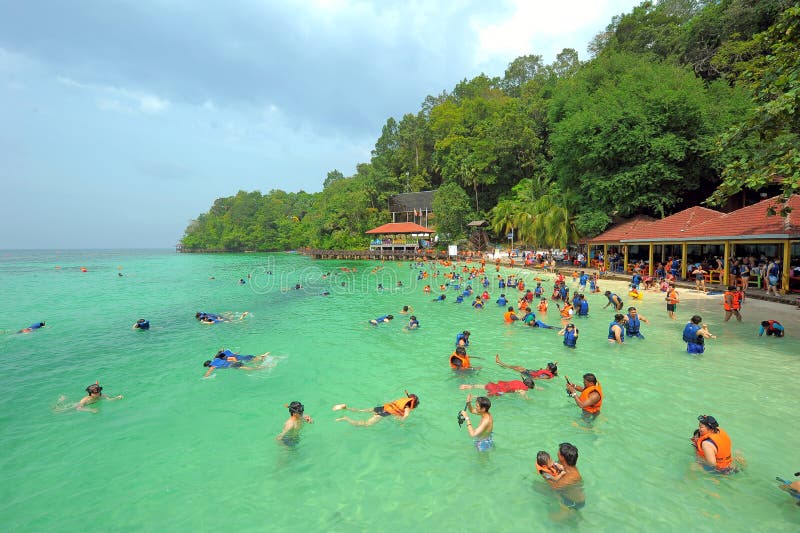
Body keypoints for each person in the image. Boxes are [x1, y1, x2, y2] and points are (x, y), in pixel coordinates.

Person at [334, 392, 419, 426]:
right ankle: (345, 418)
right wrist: (401, 421)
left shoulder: (400, 400)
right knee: (366, 424)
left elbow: (391, 403)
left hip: (380, 408)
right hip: (383, 413)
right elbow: (406, 414)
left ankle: (345, 408)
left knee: (361, 411)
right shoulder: (407, 407)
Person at [545, 443, 585, 511]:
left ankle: (573, 515)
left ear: (562, 457)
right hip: (563, 493)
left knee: (552, 518)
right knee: (536, 487)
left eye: (559, 452)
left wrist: (543, 472)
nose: (557, 452)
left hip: (573, 502)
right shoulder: (563, 463)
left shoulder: (572, 476)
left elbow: (554, 486)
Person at [459, 373, 535, 398]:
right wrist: (528, 399)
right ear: (527, 386)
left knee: (484, 386)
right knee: (490, 398)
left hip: (499, 385)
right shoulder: (523, 389)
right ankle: (474, 396)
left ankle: (469, 386)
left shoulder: (519, 382)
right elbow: (523, 394)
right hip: (501, 391)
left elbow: (522, 377)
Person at [203, 356, 268, 377]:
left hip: (232, 365)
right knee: (249, 363)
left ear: (208, 365)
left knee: (251, 369)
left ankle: (265, 367)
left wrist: (205, 377)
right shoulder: (217, 359)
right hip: (235, 362)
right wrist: (235, 361)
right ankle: (261, 359)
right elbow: (231, 358)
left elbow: (208, 372)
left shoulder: (212, 366)